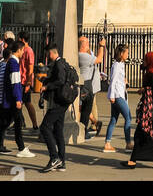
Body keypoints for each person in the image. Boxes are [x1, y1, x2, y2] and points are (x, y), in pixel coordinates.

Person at [40, 42, 78, 172]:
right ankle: (62, 162)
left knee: (44, 127)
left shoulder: (58, 64)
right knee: (58, 130)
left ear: (51, 52)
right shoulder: (63, 63)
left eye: (47, 54)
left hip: (58, 102)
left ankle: (54, 157)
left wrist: (47, 86)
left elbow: (61, 81)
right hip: (63, 102)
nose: (47, 56)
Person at [0, 39, 34, 158]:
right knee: (14, 123)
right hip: (12, 99)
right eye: (22, 51)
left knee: (6, 123)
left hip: (8, 98)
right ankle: (20, 147)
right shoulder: (14, 63)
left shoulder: (10, 62)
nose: (23, 54)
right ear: (19, 50)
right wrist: (18, 99)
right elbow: (16, 83)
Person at [128, 52, 153, 169]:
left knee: (141, 132)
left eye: (145, 59)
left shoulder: (152, 73)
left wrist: (143, 89)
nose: (143, 61)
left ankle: (133, 160)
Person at [104, 43, 133, 153]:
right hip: (117, 95)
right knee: (128, 118)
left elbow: (118, 79)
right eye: (126, 52)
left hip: (118, 94)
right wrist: (111, 96)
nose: (128, 54)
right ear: (121, 53)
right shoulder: (116, 65)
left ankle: (107, 143)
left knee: (113, 119)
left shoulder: (120, 64)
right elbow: (113, 81)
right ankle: (128, 143)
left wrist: (124, 82)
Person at [77, 34, 106, 141]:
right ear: (84, 45)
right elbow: (99, 59)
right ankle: (84, 131)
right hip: (87, 87)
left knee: (85, 110)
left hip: (89, 86)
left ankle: (85, 129)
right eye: (87, 43)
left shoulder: (84, 54)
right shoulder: (83, 55)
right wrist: (101, 46)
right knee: (85, 110)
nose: (89, 44)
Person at [18, 34, 39, 133]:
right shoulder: (21, 49)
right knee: (21, 103)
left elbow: (30, 68)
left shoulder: (28, 51)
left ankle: (34, 124)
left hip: (25, 80)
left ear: (22, 39)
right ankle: (20, 122)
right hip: (20, 79)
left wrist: (28, 83)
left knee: (27, 103)